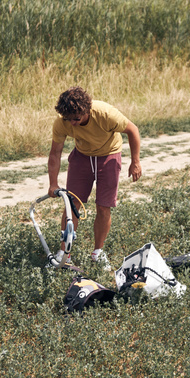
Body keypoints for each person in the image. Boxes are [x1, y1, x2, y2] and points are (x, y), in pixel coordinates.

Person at [48, 86, 141, 268]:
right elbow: (55, 153)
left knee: (103, 206)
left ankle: (98, 252)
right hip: (82, 156)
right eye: (69, 119)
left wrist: (135, 161)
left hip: (109, 155)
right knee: (71, 203)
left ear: (86, 110)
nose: (72, 123)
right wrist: (53, 183)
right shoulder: (62, 122)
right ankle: (64, 253)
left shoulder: (105, 114)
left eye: (76, 118)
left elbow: (133, 130)